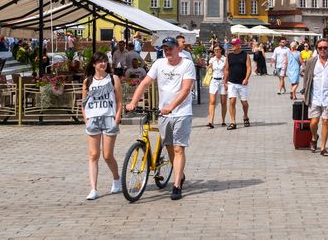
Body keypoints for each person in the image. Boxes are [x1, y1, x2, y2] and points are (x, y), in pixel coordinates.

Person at [125, 37, 195, 200]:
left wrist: (171, 106)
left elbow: (185, 90)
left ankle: (177, 185)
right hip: (163, 113)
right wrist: (134, 101)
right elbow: (144, 84)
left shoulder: (187, 64)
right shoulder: (159, 64)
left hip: (181, 113)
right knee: (169, 147)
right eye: (165, 49)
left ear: (178, 49)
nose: (167, 52)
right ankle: (180, 173)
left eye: (170, 48)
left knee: (178, 148)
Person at [81, 51, 122, 200]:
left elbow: (119, 101)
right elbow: (83, 102)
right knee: (93, 155)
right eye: (99, 61)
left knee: (107, 155)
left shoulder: (113, 79)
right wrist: (87, 119)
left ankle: (117, 178)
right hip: (93, 119)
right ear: (94, 64)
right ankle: (93, 189)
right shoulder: (88, 81)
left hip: (109, 118)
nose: (103, 64)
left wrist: (117, 118)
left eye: (104, 61)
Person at [223, 38, 251, 129]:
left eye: (234, 44)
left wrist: (246, 79)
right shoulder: (229, 56)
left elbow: (249, 68)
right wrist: (225, 82)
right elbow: (226, 69)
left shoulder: (245, 55)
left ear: (239, 45)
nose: (232, 46)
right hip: (232, 82)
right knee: (232, 101)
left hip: (242, 82)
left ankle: (245, 116)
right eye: (231, 44)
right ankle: (233, 122)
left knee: (244, 103)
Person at [206, 45, 227, 129]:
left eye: (218, 49)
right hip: (214, 81)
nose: (216, 51)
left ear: (221, 50)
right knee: (212, 101)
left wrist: (226, 82)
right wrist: (208, 67)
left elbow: (227, 71)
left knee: (223, 102)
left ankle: (223, 120)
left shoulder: (225, 59)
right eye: (215, 50)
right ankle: (211, 121)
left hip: (222, 81)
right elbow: (208, 69)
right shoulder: (212, 59)